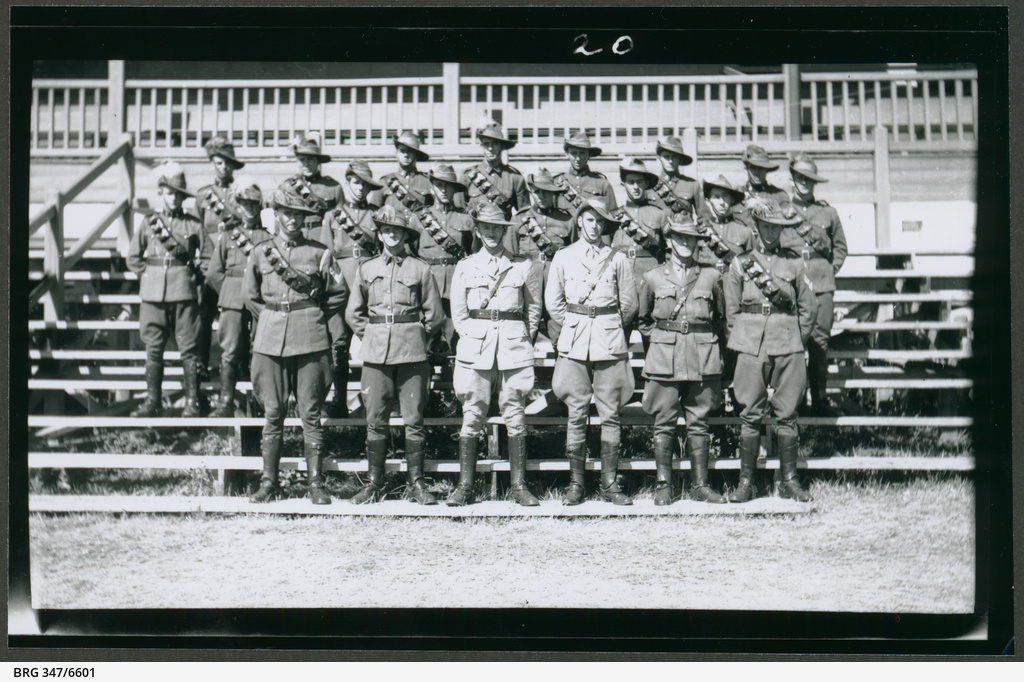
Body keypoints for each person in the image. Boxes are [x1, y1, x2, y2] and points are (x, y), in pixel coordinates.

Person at [244, 185, 349, 505]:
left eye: (298, 215)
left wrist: (310, 315)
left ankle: (315, 483)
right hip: (270, 343)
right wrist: (274, 318)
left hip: (310, 340)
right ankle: (269, 482)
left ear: (305, 220)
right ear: (276, 215)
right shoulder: (260, 252)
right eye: (287, 213)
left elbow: (339, 293)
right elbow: (250, 296)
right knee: (273, 413)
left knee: (311, 413)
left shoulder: (320, 253)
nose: (292, 220)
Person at [345, 205, 445, 504]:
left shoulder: (420, 269)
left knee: (414, 419)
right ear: (379, 233)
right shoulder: (367, 268)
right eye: (386, 230)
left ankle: (417, 484)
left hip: (413, 354)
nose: (391, 234)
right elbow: (354, 313)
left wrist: (417, 338)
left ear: (405, 235)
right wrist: (372, 335)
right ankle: (374, 484)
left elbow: (435, 316)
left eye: (397, 230)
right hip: (376, 356)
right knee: (376, 419)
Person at [447, 202, 543, 506]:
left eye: (497, 228)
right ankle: (465, 487)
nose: (491, 233)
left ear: (505, 231)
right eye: (486, 227)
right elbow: (459, 315)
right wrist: (475, 337)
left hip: (513, 347)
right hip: (476, 347)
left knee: (515, 412)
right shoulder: (465, 266)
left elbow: (533, 310)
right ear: (477, 230)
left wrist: (519, 337)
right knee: (472, 413)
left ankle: (519, 487)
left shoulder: (523, 265)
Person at [546, 198, 639, 506]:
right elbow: (554, 303)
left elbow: (629, 304)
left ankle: (610, 484)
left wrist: (608, 327)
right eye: (589, 221)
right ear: (580, 222)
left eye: (600, 222)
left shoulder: (618, 258)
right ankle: (576, 483)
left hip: (609, 342)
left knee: (610, 412)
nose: (595, 227)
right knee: (576, 411)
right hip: (574, 342)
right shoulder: (563, 257)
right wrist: (576, 324)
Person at [723, 199, 816, 503]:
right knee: (750, 413)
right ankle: (746, 482)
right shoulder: (740, 263)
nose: (771, 231)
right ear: (757, 226)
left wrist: (795, 339)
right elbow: (732, 310)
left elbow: (807, 308)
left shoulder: (796, 263)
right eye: (766, 225)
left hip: (788, 340)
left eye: (777, 226)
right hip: (750, 341)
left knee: (787, 413)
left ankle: (789, 480)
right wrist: (745, 336)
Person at [639, 215, 727, 505]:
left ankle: (700, 485)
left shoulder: (711, 276)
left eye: (690, 238)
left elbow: (721, 320)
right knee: (663, 422)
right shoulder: (653, 277)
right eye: (679, 237)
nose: (685, 243)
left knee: (699, 422)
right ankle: (665, 486)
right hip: (664, 359)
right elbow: (644, 321)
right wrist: (662, 342)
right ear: (669, 241)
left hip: (702, 356)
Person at [126, 161, 205, 418]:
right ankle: (152, 402)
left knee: (188, 348)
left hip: (183, 292)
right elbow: (133, 257)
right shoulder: (149, 223)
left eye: (178, 194)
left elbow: (206, 258)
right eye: (169, 192)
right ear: (161, 192)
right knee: (153, 348)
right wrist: (148, 275)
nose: (174, 198)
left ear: (183, 196)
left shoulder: (194, 225)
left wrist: (193, 279)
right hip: (152, 295)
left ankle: (192, 402)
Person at [319, 161, 384, 418]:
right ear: (347, 183)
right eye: (355, 182)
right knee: (338, 344)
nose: (360, 188)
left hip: (368, 286)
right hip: (340, 287)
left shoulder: (377, 214)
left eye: (365, 184)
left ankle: (372, 401)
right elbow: (326, 258)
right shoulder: (332, 217)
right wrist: (334, 287)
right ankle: (339, 399)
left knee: (374, 340)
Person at [205, 176, 272, 417]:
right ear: (239, 205)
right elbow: (214, 273)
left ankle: (260, 403)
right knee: (231, 350)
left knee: (259, 348)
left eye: (254, 204)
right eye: (245, 204)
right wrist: (231, 291)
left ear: (260, 207)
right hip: (232, 300)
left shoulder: (267, 239)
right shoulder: (228, 237)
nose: (249, 209)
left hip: (258, 301)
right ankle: (225, 402)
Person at [788, 153, 848, 416]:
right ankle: (798, 402)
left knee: (819, 343)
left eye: (809, 179)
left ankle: (820, 401)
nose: (804, 183)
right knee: (795, 344)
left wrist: (826, 272)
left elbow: (841, 249)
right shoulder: (783, 212)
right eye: (800, 177)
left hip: (822, 287)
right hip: (793, 286)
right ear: (793, 179)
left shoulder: (828, 212)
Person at [696, 175, 755, 412]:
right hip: (708, 300)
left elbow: (753, 269)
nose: (721, 202)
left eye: (726, 197)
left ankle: (740, 407)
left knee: (736, 352)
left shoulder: (743, 232)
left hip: (734, 300)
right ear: (708, 199)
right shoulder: (700, 230)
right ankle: (713, 411)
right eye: (717, 197)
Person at [195, 137, 246, 397]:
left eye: (227, 163)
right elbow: (198, 230)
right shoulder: (203, 195)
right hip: (208, 264)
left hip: (232, 264)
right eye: (218, 163)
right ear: (212, 163)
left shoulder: (241, 192)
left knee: (237, 318)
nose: (222, 168)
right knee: (203, 316)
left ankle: (241, 366)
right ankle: (200, 365)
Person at [413, 164, 475, 363]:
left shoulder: (465, 219)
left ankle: (456, 392)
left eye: (448, 186)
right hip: (427, 289)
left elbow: (472, 252)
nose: (444, 190)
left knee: (455, 341)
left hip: (456, 287)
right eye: (439, 185)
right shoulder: (418, 219)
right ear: (432, 188)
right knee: (425, 342)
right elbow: (411, 255)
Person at [507, 168, 574, 343]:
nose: (541, 197)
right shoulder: (518, 220)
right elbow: (510, 259)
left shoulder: (567, 220)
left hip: (558, 288)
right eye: (537, 192)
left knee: (562, 339)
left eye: (546, 192)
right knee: (523, 337)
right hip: (528, 287)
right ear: (531, 192)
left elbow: (575, 257)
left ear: (553, 193)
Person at [612, 158, 669, 353]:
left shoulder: (660, 214)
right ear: (623, 184)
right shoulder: (614, 216)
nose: (635, 187)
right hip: (623, 280)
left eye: (640, 182)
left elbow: (669, 251)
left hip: (650, 279)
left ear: (646, 184)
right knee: (620, 331)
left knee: (651, 332)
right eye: (630, 182)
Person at [458, 122, 529, 220]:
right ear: (482, 146)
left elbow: (524, 214)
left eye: (495, 144)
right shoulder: (467, 176)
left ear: (502, 146)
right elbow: (459, 212)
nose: (490, 148)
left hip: (503, 233)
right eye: (486, 144)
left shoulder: (515, 178)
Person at [284, 132, 343, 236]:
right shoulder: (289, 186)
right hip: (296, 235)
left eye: (310, 159)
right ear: (297, 161)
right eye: (302, 160)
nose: (306, 164)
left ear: (318, 161)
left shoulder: (333, 187)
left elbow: (341, 220)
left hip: (322, 235)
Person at [648, 135, 711, 222]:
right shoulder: (651, 185)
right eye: (666, 156)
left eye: (674, 157)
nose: (670, 161)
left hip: (684, 234)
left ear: (680, 159)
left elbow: (704, 217)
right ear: (659, 158)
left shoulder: (692, 185)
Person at [554, 132, 617, 214]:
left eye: (582, 153)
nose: (578, 158)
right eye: (574, 153)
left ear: (589, 154)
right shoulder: (557, 182)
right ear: (567, 154)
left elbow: (612, 215)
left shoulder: (602, 184)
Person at [371, 130, 433, 212]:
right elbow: (374, 213)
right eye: (402, 151)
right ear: (396, 154)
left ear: (416, 155)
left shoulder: (427, 182)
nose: (406, 155)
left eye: (410, 151)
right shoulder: (385, 182)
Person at [733, 144, 790, 228]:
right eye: (753, 168)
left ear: (766, 169)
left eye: (761, 168)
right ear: (747, 168)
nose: (757, 172)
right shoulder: (736, 195)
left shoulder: (779, 195)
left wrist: (761, 205)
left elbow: (788, 219)